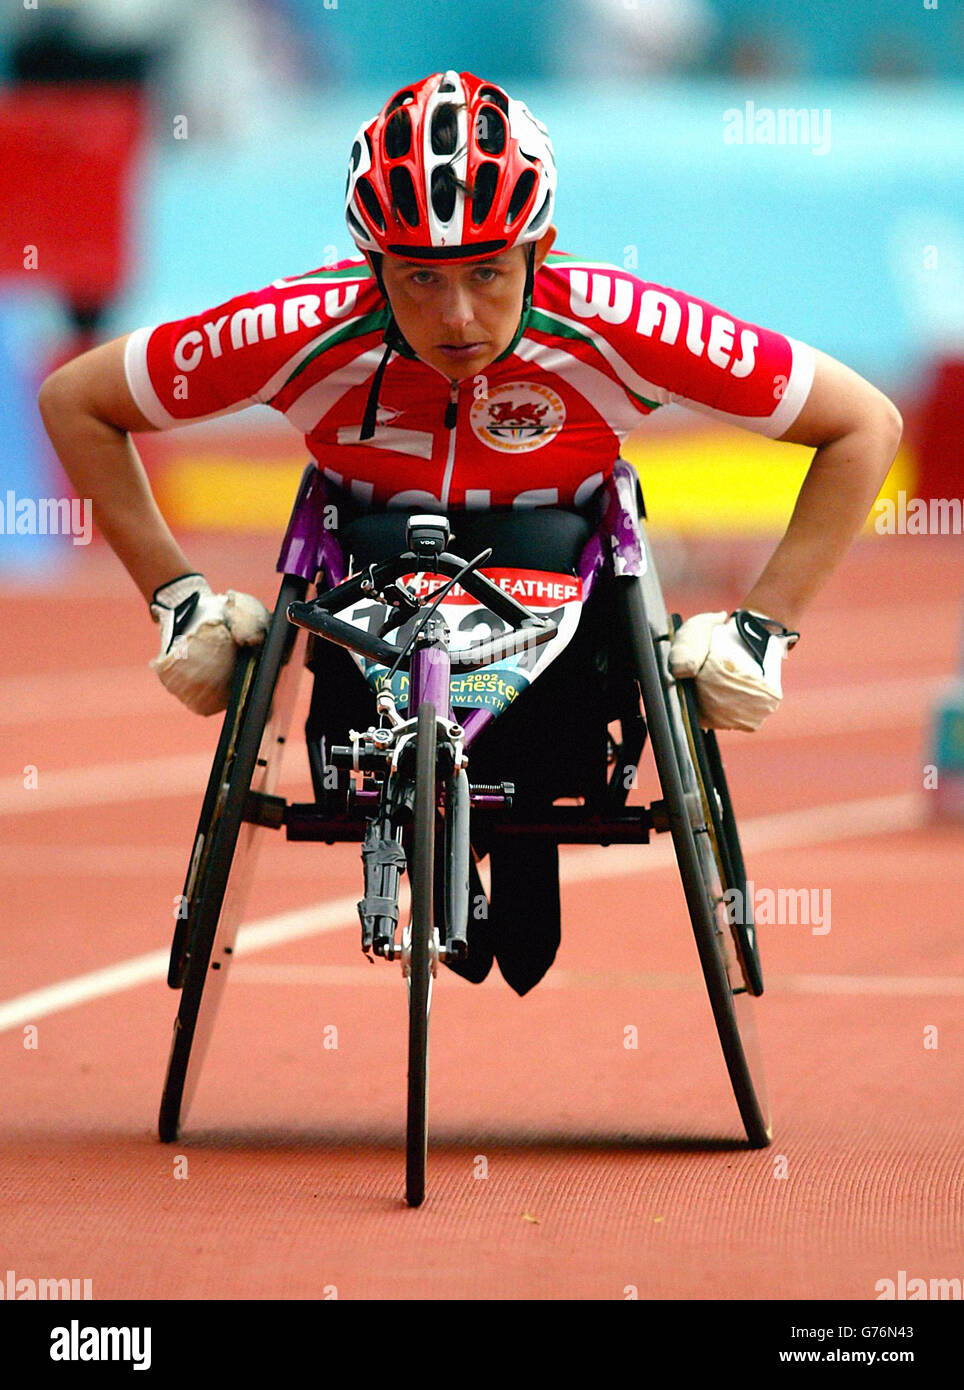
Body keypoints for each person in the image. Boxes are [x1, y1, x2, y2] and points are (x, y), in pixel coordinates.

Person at [38, 70, 902, 992]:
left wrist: (762, 630)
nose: (455, 316)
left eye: (487, 273)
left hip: (569, 644)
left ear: (542, 251)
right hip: (365, 622)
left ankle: (513, 832)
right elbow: (77, 402)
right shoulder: (298, 328)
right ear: (371, 264)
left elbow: (863, 425)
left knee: (546, 785)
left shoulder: (621, 323)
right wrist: (177, 599)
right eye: (419, 278)